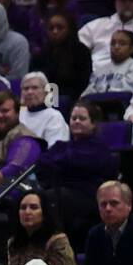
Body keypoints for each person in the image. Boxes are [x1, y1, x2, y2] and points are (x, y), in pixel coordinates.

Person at [35, 100, 120, 245]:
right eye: (74, 118)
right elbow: (41, 164)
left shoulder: (99, 148)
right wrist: (67, 163)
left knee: (51, 199)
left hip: (88, 195)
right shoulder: (61, 146)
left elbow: (87, 164)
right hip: (59, 190)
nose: (77, 121)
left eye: (82, 118)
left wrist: (61, 163)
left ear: (93, 123)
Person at [7, 191, 80, 265]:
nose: (27, 212)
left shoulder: (57, 240)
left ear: (44, 212)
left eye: (33, 207)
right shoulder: (13, 242)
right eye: (23, 208)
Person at [79, 0, 133, 73]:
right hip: (95, 73)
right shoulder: (98, 24)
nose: (127, 4)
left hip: (130, 73)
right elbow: (77, 46)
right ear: (116, 2)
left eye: (131, 0)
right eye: (123, 0)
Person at [32, 13, 92, 100]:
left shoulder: (81, 52)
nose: (55, 31)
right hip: (46, 98)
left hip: (74, 99)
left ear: (70, 29)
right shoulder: (42, 53)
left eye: (59, 28)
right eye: (51, 28)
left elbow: (83, 82)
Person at [82, 29, 133, 97]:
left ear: (132, 49)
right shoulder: (101, 68)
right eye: (113, 43)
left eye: (122, 44)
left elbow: (129, 90)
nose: (116, 47)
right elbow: (87, 92)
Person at [18, 71, 70, 145]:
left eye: (35, 88)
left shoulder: (54, 117)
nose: (29, 92)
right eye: (26, 88)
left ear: (46, 92)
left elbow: (55, 150)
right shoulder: (17, 114)